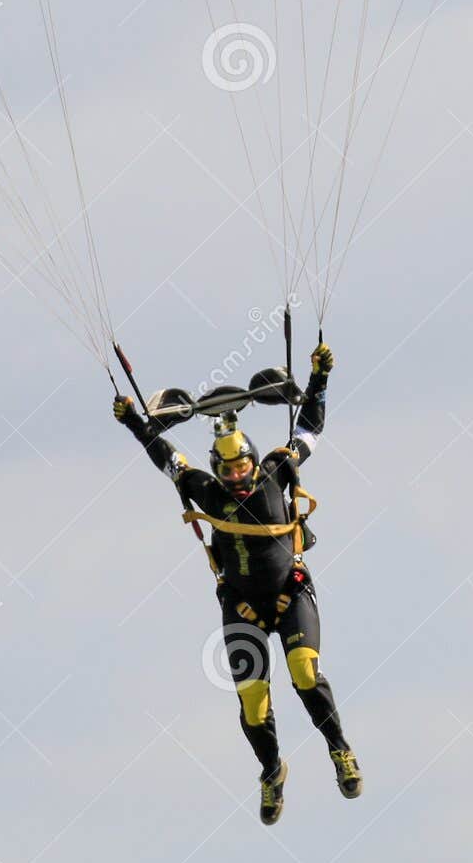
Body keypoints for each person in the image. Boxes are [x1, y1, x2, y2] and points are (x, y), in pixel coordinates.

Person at [114, 342, 361, 825]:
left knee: (305, 672)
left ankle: (340, 749)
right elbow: (163, 454)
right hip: (241, 606)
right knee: (253, 700)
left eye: (241, 466)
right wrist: (132, 422)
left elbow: (309, 428)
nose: (236, 476)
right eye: (227, 469)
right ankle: (272, 772)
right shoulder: (202, 488)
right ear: (218, 468)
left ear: (251, 460)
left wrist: (319, 378)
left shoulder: (275, 470)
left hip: (290, 593)